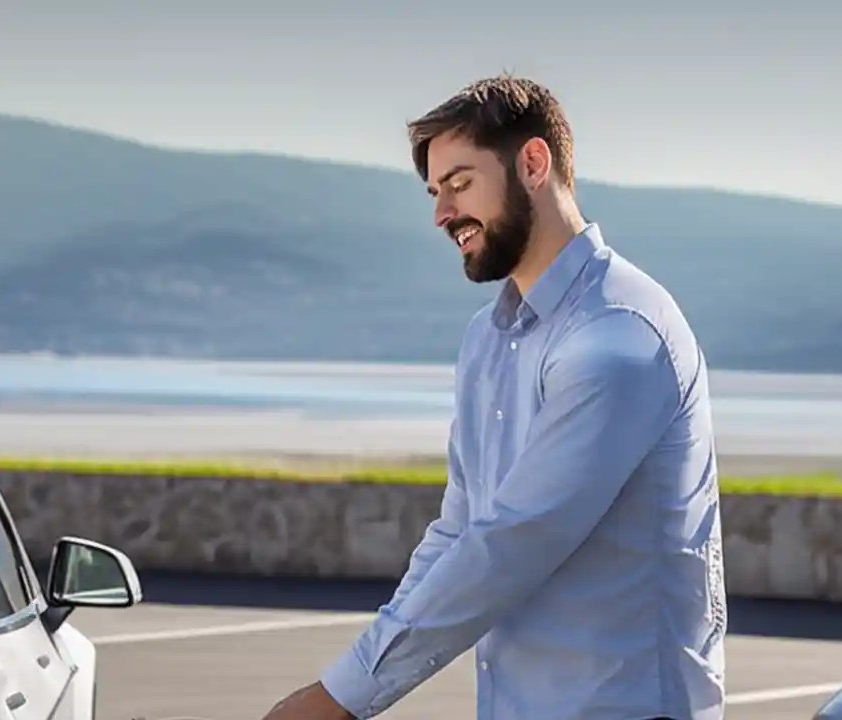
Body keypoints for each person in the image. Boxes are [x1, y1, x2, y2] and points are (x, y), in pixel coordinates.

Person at [261, 75, 727, 720]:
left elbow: (513, 541)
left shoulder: (618, 334)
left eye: (459, 183)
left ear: (533, 164)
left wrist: (342, 696)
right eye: (434, 192)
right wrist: (350, 683)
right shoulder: (489, 337)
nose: (441, 213)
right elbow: (460, 528)